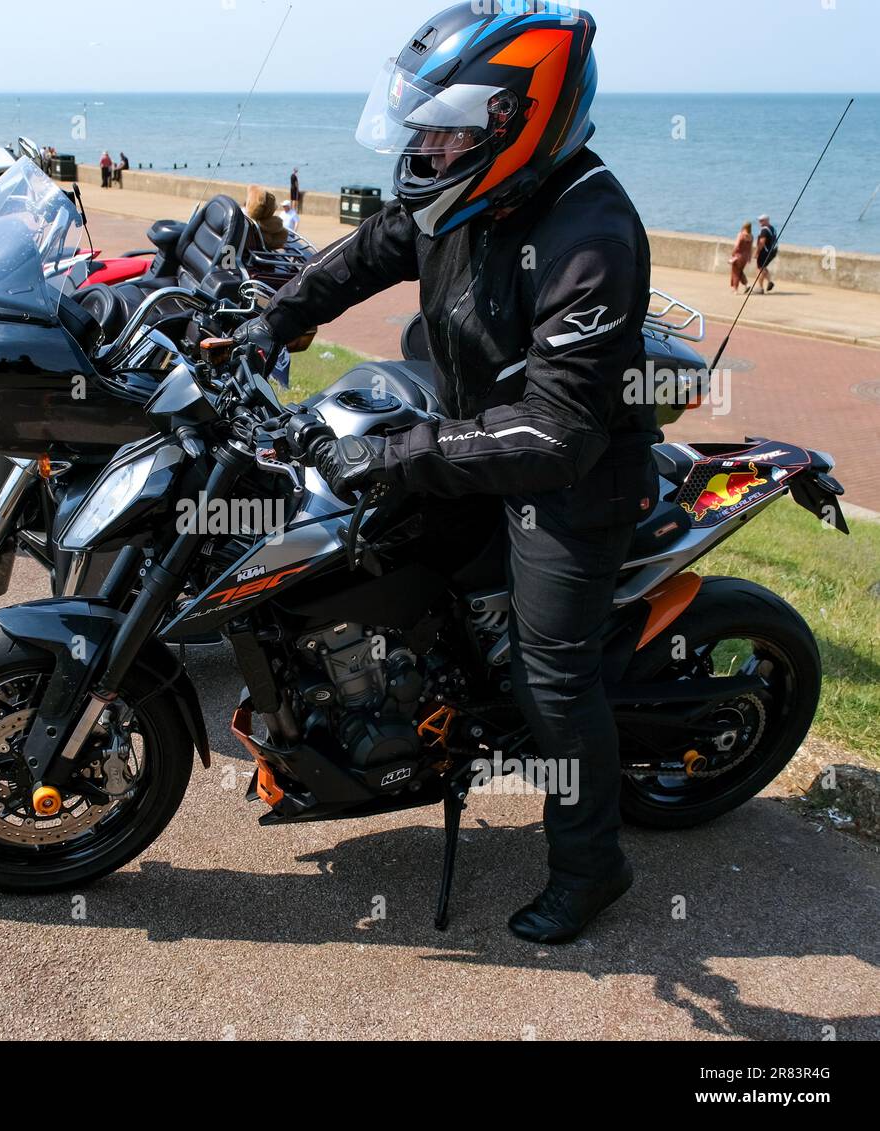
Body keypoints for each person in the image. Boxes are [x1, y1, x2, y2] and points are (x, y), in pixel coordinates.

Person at [236, 3, 655, 944]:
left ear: (518, 122)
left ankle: (593, 866)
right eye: (421, 128)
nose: (426, 147)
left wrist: (393, 454)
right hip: (471, 433)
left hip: (568, 479)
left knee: (554, 679)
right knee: (369, 559)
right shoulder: (463, 194)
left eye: (448, 129)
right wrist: (275, 315)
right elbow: (372, 249)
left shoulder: (591, 236)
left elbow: (555, 432)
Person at [753, 213, 778, 294]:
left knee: (760, 268)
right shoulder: (773, 228)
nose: (760, 222)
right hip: (773, 251)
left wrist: (756, 252)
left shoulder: (764, 230)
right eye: (759, 220)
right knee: (763, 267)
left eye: (762, 220)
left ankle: (760, 288)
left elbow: (762, 243)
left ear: (767, 220)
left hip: (765, 252)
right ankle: (770, 281)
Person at [730, 221, 753, 292]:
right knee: (740, 271)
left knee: (735, 272)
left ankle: (735, 289)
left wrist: (732, 253)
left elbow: (737, 246)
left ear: (744, 226)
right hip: (745, 257)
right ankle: (746, 285)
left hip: (738, 256)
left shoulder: (741, 235)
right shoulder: (751, 236)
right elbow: (750, 248)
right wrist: (749, 258)